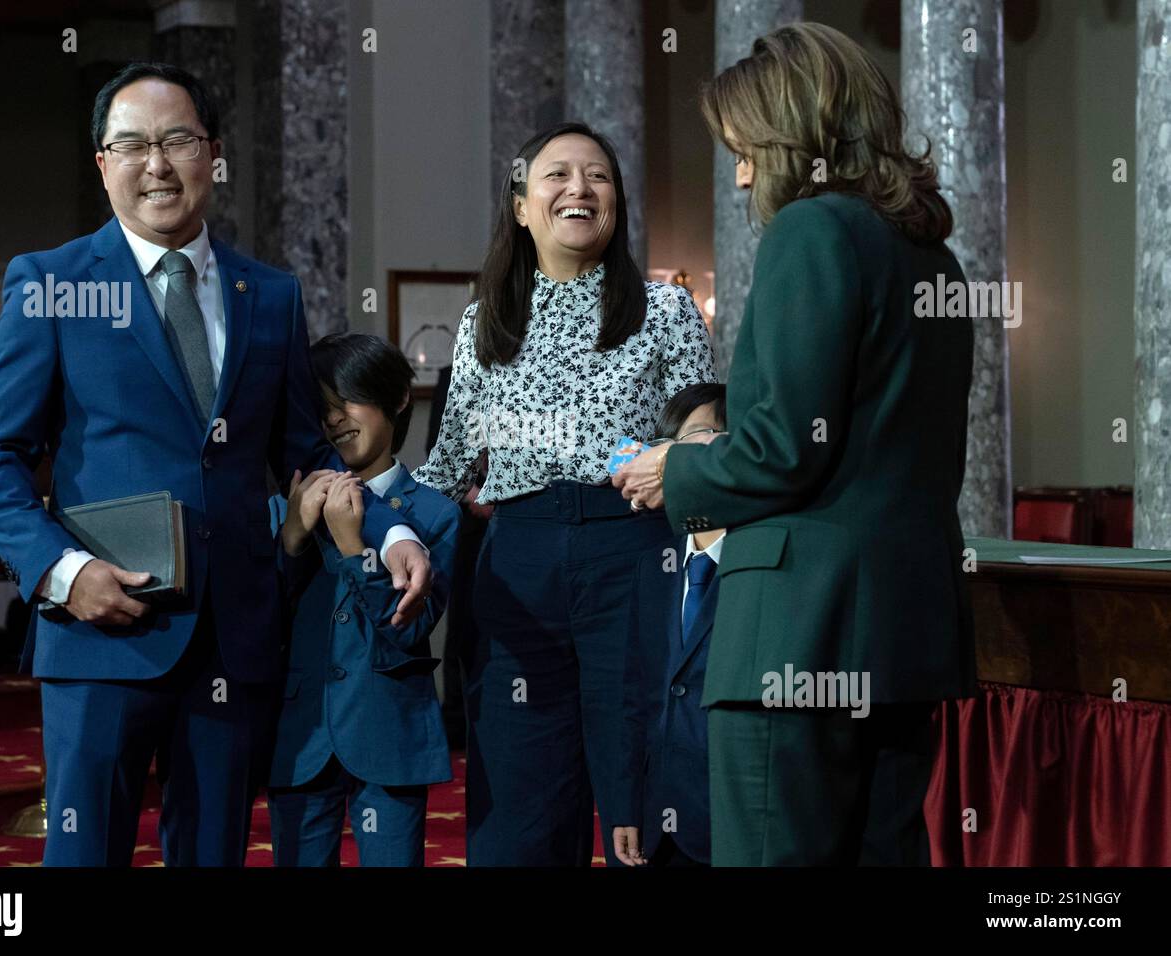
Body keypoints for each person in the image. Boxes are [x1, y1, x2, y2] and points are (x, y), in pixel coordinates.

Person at [0, 62, 431, 867]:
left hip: (232, 636)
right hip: (100, 628)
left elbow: (307, 453)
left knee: (212, 854)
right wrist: (65, 573)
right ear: (102, 162)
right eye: (132, 144)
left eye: (177, 139)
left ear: (211, 153)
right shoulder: (53, 283)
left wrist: (390, 536)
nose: (157, 163)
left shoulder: (269, 295)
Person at [613, 22, 976, 866]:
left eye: (746, 150)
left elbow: (783, 448)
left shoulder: (811, 233)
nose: (740, 173)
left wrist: (680, 467)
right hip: (903, 632)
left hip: (797, 635)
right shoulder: (937, 259)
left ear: (797, 134)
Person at [414, 121, 716, 866]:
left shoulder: (666, 309)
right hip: (520, 565)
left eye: (599, 176)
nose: (579, 188)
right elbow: (449, 465)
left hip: (638, 558)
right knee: (518, 810)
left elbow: (704, 441)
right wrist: (376, 510)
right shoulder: (486, 321)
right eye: (557, 175)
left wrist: (675, 459)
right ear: (521, 205)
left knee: (644, 804)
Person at [267, 332, 458, 867]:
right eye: (321, 409)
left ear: (398, 399)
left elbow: (409, 632)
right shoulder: (289, 503)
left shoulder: (434, 514)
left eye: (348, 401)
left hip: (389, 730)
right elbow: (257, 617)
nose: (334, 421)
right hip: (300, 734)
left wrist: (354, 546)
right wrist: (291, 541)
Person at [613, 383, 727, 868]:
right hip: (659, 820)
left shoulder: (764, 570)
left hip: (732, 819)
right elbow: (636, 693)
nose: (714, 447)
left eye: (700, 435)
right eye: (669, 443)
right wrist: (628, 802)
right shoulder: (652, 564)